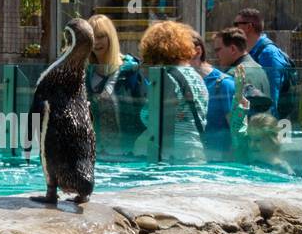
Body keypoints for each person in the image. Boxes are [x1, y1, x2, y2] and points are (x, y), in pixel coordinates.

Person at [135, 21, 209, 163]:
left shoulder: (166, 77)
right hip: (196, 153)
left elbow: (156, 119)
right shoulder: (197, 77)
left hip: (172, 156)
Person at [86, 14, 147, 157]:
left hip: (127, 154)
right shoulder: (86, 71)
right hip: (93, 153)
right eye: (93, 37)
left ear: (111, 38)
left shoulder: (130, 70)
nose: (96, 42)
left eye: (101, 36)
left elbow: (145, 110)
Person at [232, 8, 294, 114]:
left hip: (270, 124)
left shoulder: (269, 55)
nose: (233, 29)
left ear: (248, 27)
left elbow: (272, 99)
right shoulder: (248, 52)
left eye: (236, 24)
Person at [190, 30, 236, 157]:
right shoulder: (179, 82)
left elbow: (237, 133)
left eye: (179, 56)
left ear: (197, 52)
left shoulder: (224, 84)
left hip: (218, 164)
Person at [210, 26, 271, 109]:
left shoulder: (233, 75)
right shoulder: (259, 68)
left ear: (233, 49)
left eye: (218, 50)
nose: (216, 55)